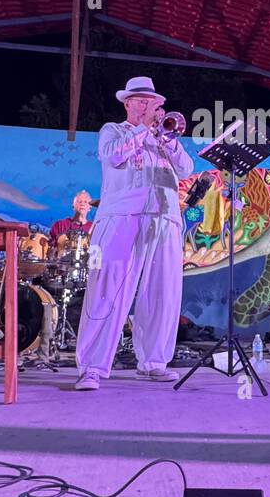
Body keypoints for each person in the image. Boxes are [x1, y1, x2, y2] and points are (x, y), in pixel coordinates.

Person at [73, 77, 194, 391]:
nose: (148, 107)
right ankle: (92, 367)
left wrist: (167, 139)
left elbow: (186, 169)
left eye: (151, 102)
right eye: (141, 101)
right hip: (121, 217)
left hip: (165, 219)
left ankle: (154, 362)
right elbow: (114, 157)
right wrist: (143, 130)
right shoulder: (114, 131)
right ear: (126, 103)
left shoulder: (162, 139)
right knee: (107, 291)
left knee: (162, 294)